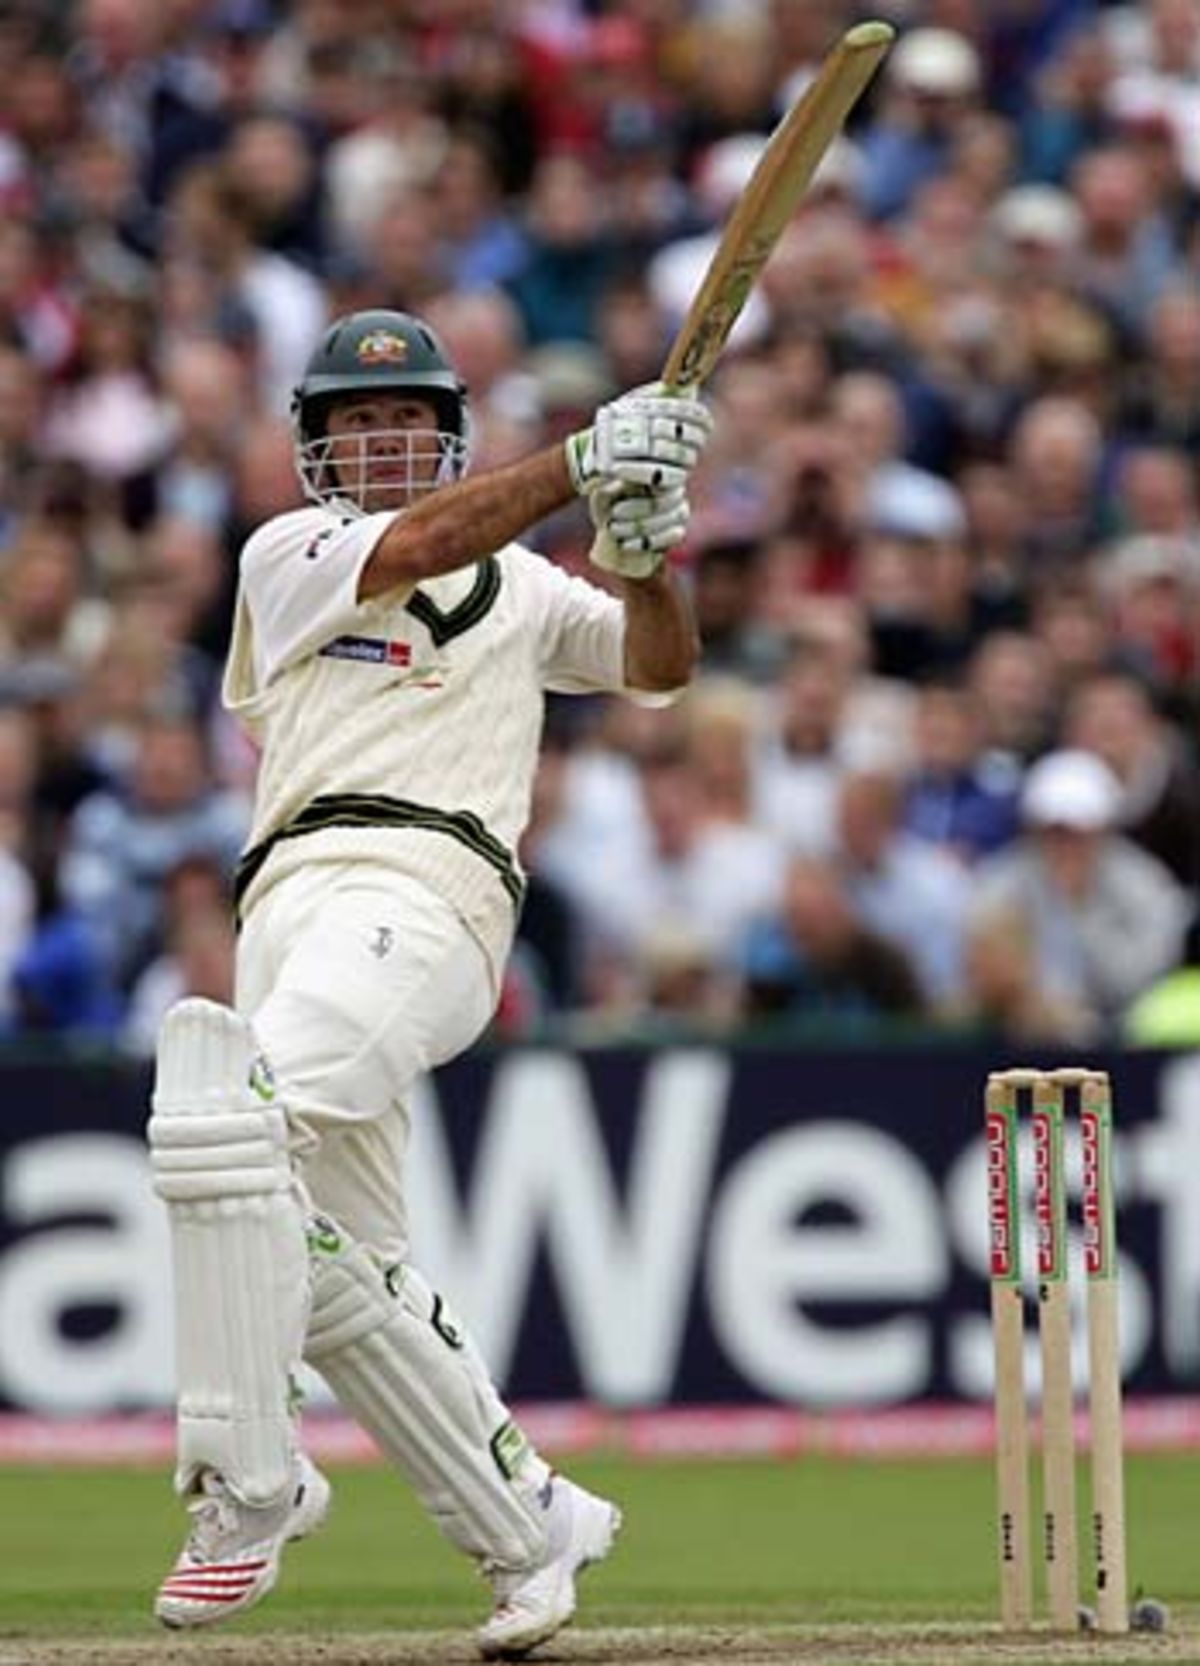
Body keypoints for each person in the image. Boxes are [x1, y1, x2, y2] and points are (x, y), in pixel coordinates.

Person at [145, 307, 712, 1657]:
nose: (386, 445)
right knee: (337, 1265)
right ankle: (531, 1524)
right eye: (358, 426)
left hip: (428, 891)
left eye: (406, 423)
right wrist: (583, 462)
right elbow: (415, 546)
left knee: (226, 1117)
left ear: (445, 429)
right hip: (286, 900)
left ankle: (249, 1478)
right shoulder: (290, 554)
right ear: (317, 450)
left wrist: (644, 553)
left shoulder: (521, 590)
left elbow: (659, 665)